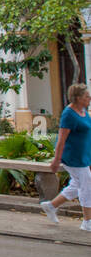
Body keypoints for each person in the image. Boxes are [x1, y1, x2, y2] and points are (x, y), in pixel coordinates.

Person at [40, 83, 91, 231]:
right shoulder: (69, 114)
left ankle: (51, 206)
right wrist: (56, 159)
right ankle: (87, 222)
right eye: (86, 96)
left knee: (78, 183)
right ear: (77, 98)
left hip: (83, 155)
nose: (89, 98)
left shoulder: (83, 111)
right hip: (72, 156)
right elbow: (61, 139)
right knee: (87, 185)